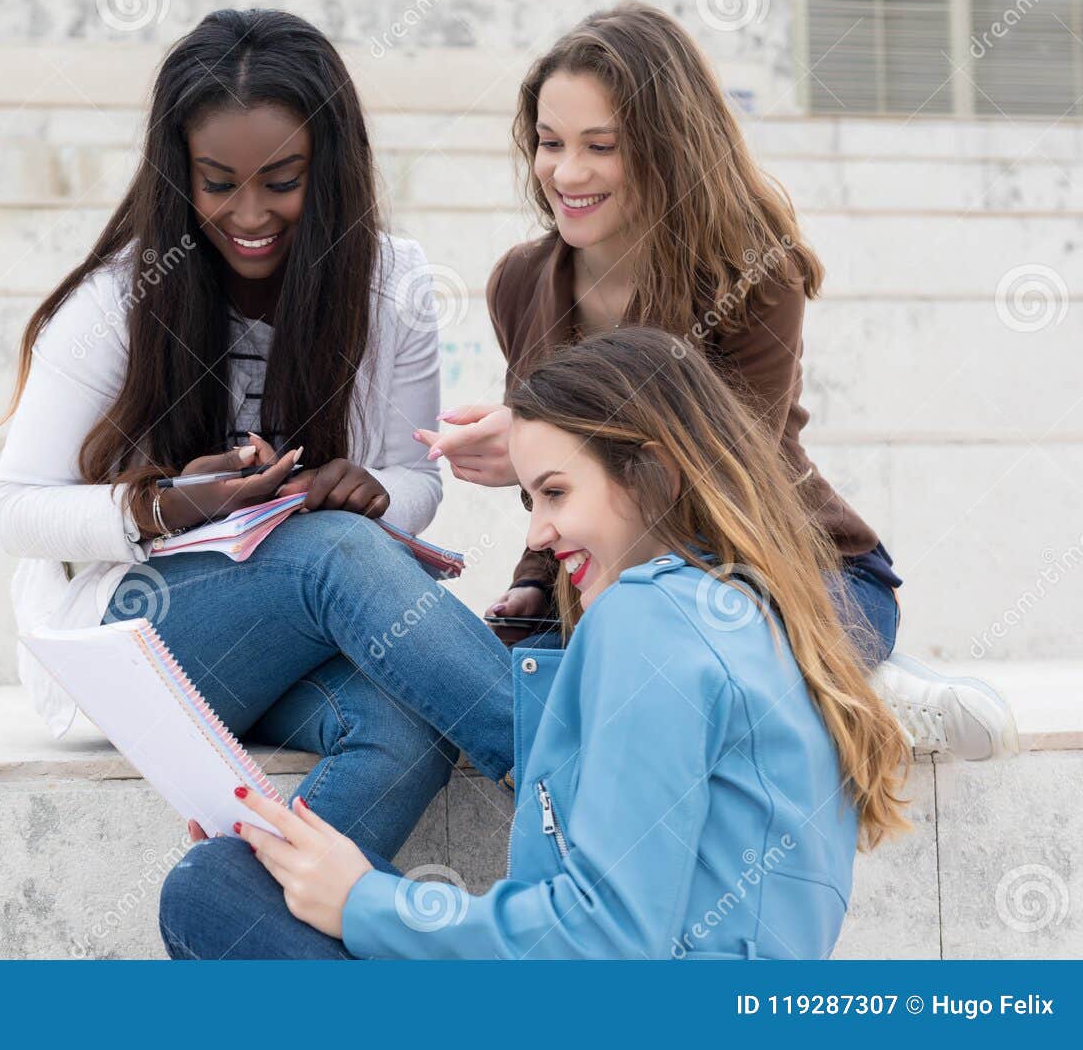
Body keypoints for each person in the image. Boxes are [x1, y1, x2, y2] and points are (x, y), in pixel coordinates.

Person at [159, 326, 913, 959]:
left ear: (652, 475)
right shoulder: (748, 618)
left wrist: (366, 902)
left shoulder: (646, 621)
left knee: (212, 891)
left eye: (555, 492)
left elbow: (607, 940)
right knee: (234, 876)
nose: (537, 534)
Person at [414, 2, 1014, 762]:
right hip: (607, 585)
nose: (566, 172)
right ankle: (839, 686)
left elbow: (727, 475)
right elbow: (565, 493)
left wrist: (551, 438)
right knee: (497, 683)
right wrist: (537, 574)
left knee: (684, 650)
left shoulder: (754, 275)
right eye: (549, 142)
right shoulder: (522, 283)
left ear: (669, 148)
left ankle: (863, 685)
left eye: (601, 146)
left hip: (775, 566)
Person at [0, 8, 514, 862]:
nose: (250, 212)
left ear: (331, 169)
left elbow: (418, 483)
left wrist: (373, 492)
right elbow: (13, 508)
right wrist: (163, 506)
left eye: (282, 179)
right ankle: (574, 786)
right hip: (138, 635)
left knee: (407, 724)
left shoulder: (393, 286)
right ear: (177, 174)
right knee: (336, 550)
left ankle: (239, 924)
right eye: (216, 181)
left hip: (290, 634)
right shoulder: (116, 302)